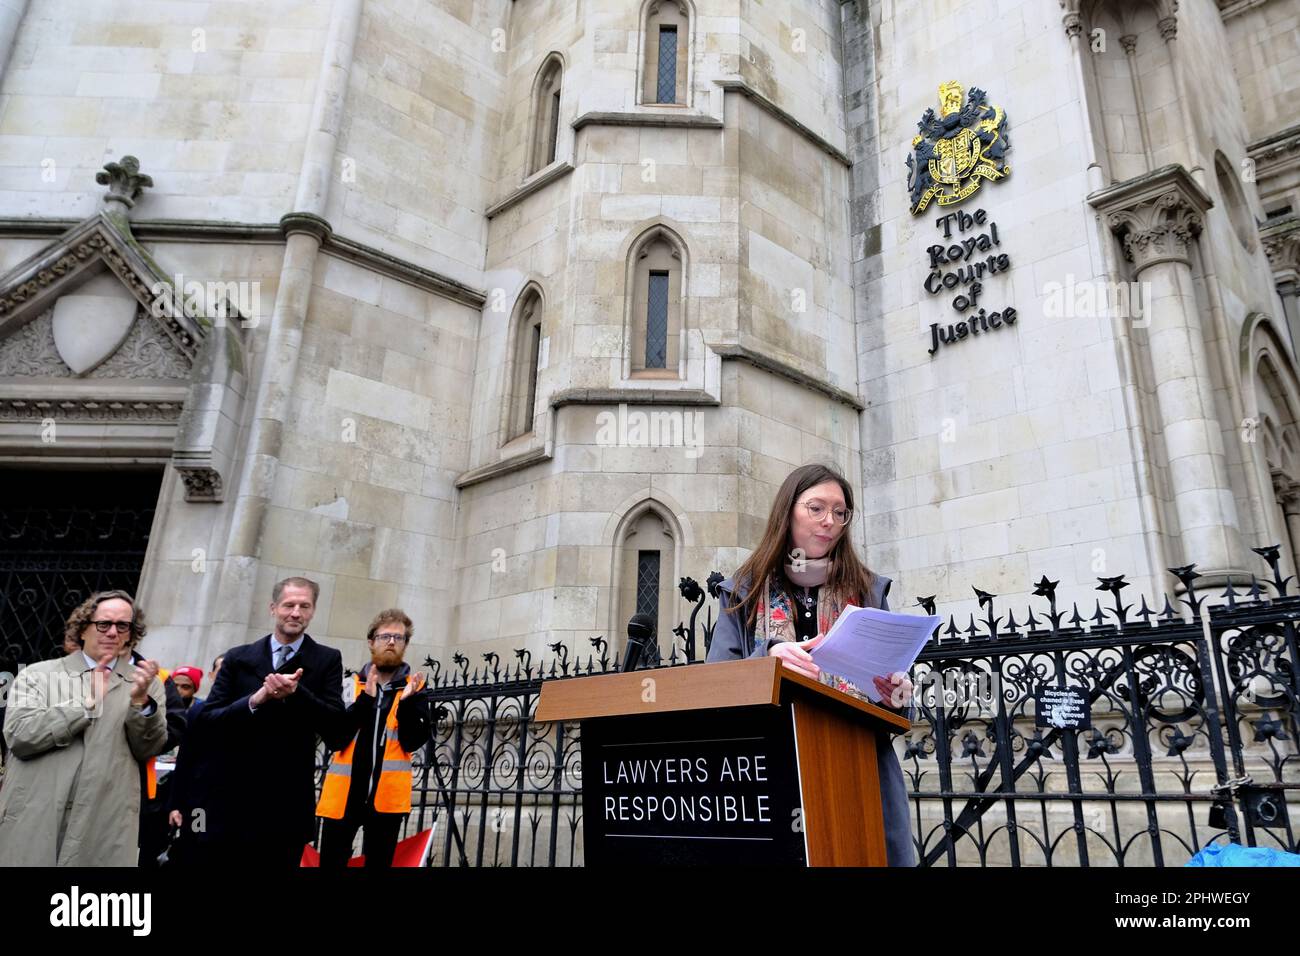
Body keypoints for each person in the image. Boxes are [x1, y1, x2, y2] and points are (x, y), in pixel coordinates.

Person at [706, 462, 917, 867]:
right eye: (816, 508)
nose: (830, 522)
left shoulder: (868, 590)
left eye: (840, 513)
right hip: (771, 771)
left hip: (858, 771)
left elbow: (895, 697)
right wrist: (765, 659)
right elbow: (712, 685)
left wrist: (896, 695)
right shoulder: (744, 589)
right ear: (788, 511)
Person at [0, 590, 168, 866]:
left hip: (102, 825)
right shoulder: (39, 674)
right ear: (82, 628)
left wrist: (140, 703)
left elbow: (149, 748)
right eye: (103, 624)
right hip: (35, 816)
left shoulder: (146, 684)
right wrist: (86, 704)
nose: (112, 632)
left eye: (122, 626)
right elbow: (21, 736)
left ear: (130, 634)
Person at [189, 576, 343, 866]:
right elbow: (208, 723)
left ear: (313, 611)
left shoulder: (326, 660)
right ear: (273, 608)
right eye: (289, 605)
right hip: (230, 798)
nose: (296, 613)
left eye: (304, 606)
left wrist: (297, 693)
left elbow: (336, 730)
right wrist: (255, 700)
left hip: (286, 803)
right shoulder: (238, 658)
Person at [317, 609, 433, 867]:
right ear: (371, 641)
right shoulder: (349, 685)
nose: (391, 642)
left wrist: (405, 705)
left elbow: (413, 741)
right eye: (385, 636)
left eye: (398, 637)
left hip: (386, 800)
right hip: (343, 796)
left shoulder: (415, 689)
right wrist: (366, 701)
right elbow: (335, 738)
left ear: (405, 644)